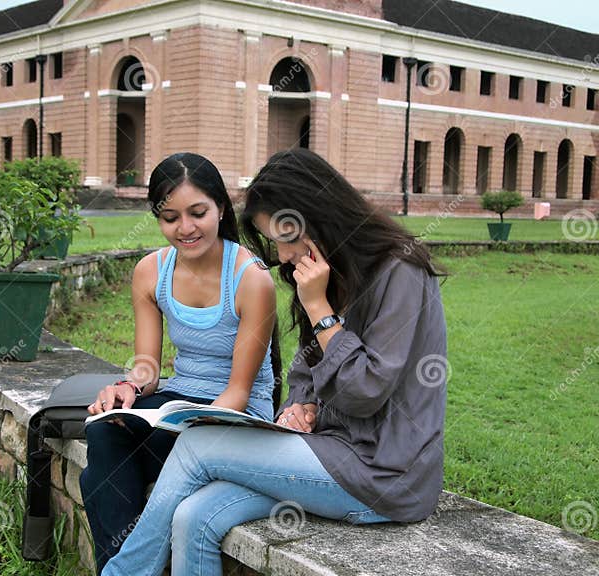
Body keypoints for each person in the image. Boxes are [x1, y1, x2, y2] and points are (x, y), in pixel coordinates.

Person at [100, 148, 449, 576]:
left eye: (287, 238)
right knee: (193, 516)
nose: (283, 256)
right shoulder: (330, 269)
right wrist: (297, 405)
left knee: (197, 445)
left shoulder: (401, 273)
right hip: (327, 448)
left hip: (383, 473)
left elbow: (365, 392)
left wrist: (320, 309)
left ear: (319, 214)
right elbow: (305, 368)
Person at [79, 152, 281, 573]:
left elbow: (238, 393)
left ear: (221, 209)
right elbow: (148, 367)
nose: (185, 228)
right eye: (170, 217)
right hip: (179, 402)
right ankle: (115, 564)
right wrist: (127, 390)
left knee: (155, 451)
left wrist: (192, 423)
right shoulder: (150, 272)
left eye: (197, 213)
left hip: (236, 415)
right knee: (106, 432)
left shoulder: (251, 278)